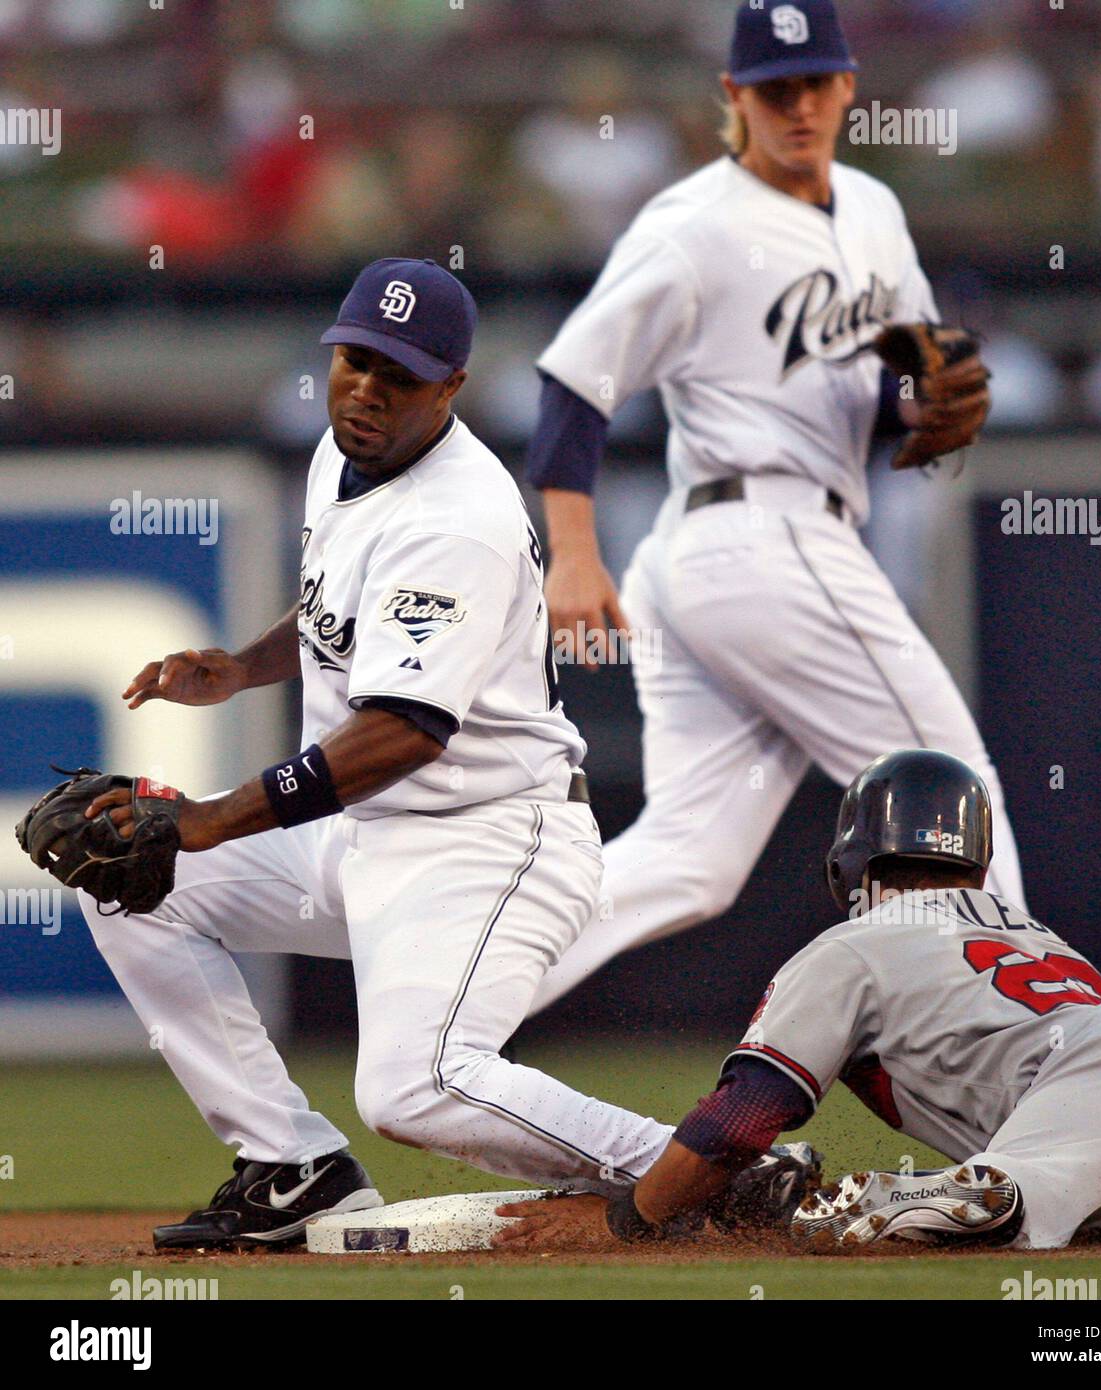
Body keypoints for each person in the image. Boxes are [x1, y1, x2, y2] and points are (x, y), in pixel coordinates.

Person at [75, 257, 681, 1249]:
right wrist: (239, 666)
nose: (366, 388)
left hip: (484, 840)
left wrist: (213, 817)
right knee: (128, 876)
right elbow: (336, 618)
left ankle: (686, 1159)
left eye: (397, 375)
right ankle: (291, 1163)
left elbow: (402, 732)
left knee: (414, 1087)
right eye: (355, 360)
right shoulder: (342, 449)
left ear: (450, 388)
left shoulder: (460, 520)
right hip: (370, 834)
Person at [524, 0, 1024, 1017]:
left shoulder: (875, 211)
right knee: (956, 783)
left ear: (847, 87)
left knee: (686, 860)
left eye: (816, 82)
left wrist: (924, 405)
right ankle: (1044, 1050)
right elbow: (575, 382)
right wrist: (572, 555)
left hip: (758, 543)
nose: (798, 105)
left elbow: (898, 388)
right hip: (759, 535)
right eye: (774, 88)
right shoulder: (691, 225)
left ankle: (459, 990)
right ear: (733, 98)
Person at [496, 750, 1101, 1253]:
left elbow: (743, 1117)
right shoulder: (1032, 929)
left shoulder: (850, 947)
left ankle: (937, 1200)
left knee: (1018, 1199)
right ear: (976, 856)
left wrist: (633, 1219)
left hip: (1090, 1082)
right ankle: (1002, 1191)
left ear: (851, 853)